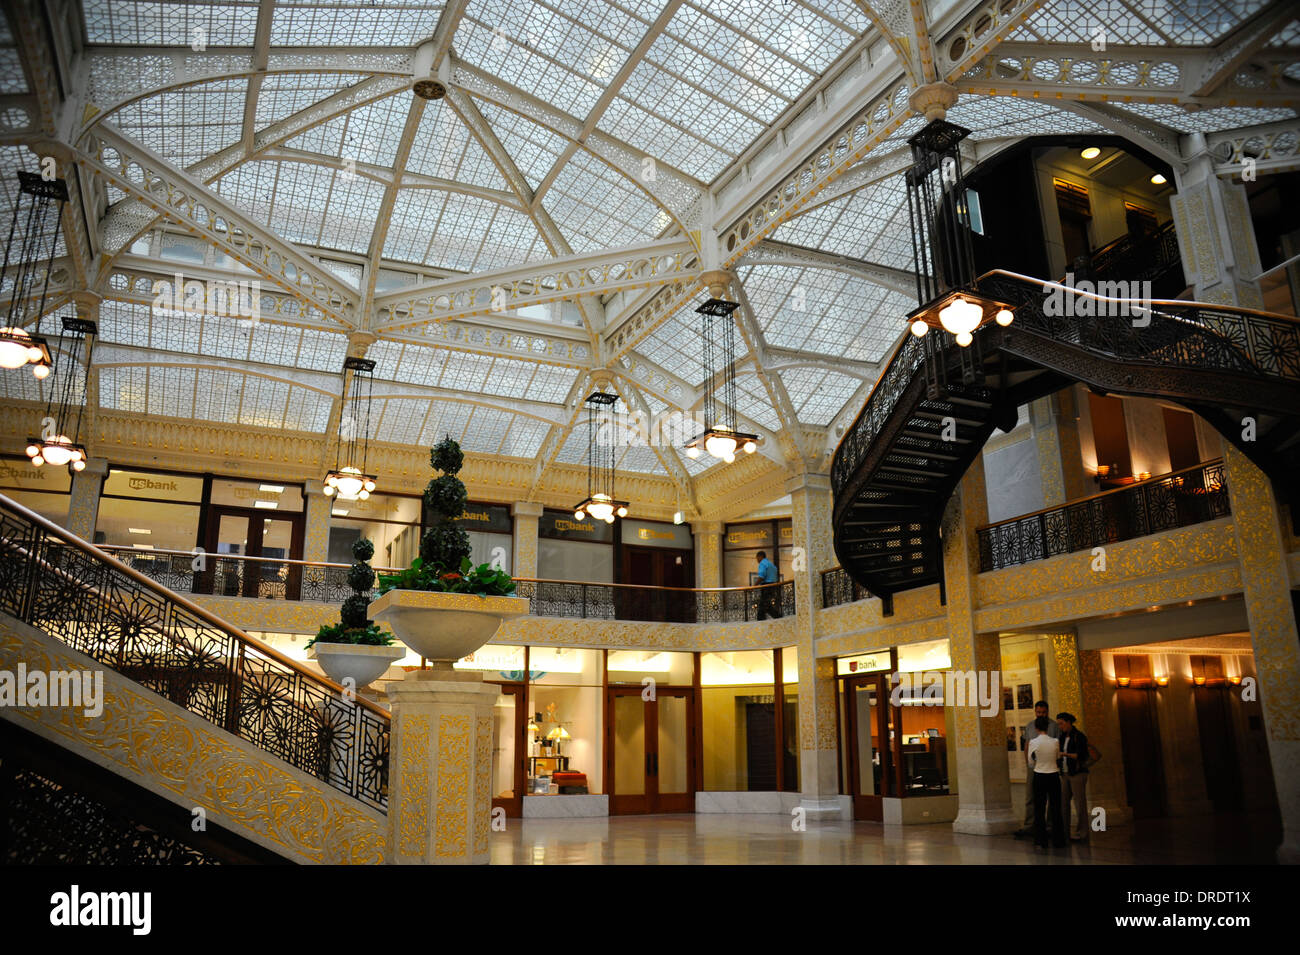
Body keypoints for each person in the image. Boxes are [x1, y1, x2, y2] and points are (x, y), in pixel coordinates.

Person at [1016, 700, 1060, 836]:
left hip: (1050, 766)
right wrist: (1028, 764)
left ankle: (1050, 825)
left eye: (1043, 712)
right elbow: (1026, 746)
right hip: (1034, 766)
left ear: (1047, 712)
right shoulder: (1030, 725)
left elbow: (1057, 747)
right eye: (1038, 712)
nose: (1041, 714)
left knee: (1051, 798)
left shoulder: (1054, 726)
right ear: (1035, 712)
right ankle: (1030, 824)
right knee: (1030, 795)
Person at [1027, 715, 1067, 848]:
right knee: (1056, 808)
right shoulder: (1055, 741)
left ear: (1036, 728)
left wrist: (1038, 764)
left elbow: (1030, 761)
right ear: (1047, 727)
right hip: (1053, 775)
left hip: (1039, 775)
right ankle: (1058, 840)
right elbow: (1057, 757)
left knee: (1039, 808)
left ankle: (1041, 840)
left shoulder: (1033, 742)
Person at [1057, 712, 1090, 843]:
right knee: (1063, 803)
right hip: (1065, 773)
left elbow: (1082, 755)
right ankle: (1064, 831)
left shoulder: (1079, 736)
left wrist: (1066, 754)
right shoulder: (1061, 737)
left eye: (1061, 723)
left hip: (1077, 773)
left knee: (1079, 803)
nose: (1060, 726)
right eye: (1058, 724)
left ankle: (1082, 832)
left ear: (1069, 722)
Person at [755, 551, 781, 619]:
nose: (757, 560)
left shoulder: (762, 563)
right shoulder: (770, 564)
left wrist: (754, 586)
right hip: (773, 585)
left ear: (760, 556)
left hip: (766, 586)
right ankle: (776, 616)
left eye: (757, 558)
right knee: (765, 603)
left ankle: (775, 616)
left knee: (764, 603)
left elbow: (761, 576)